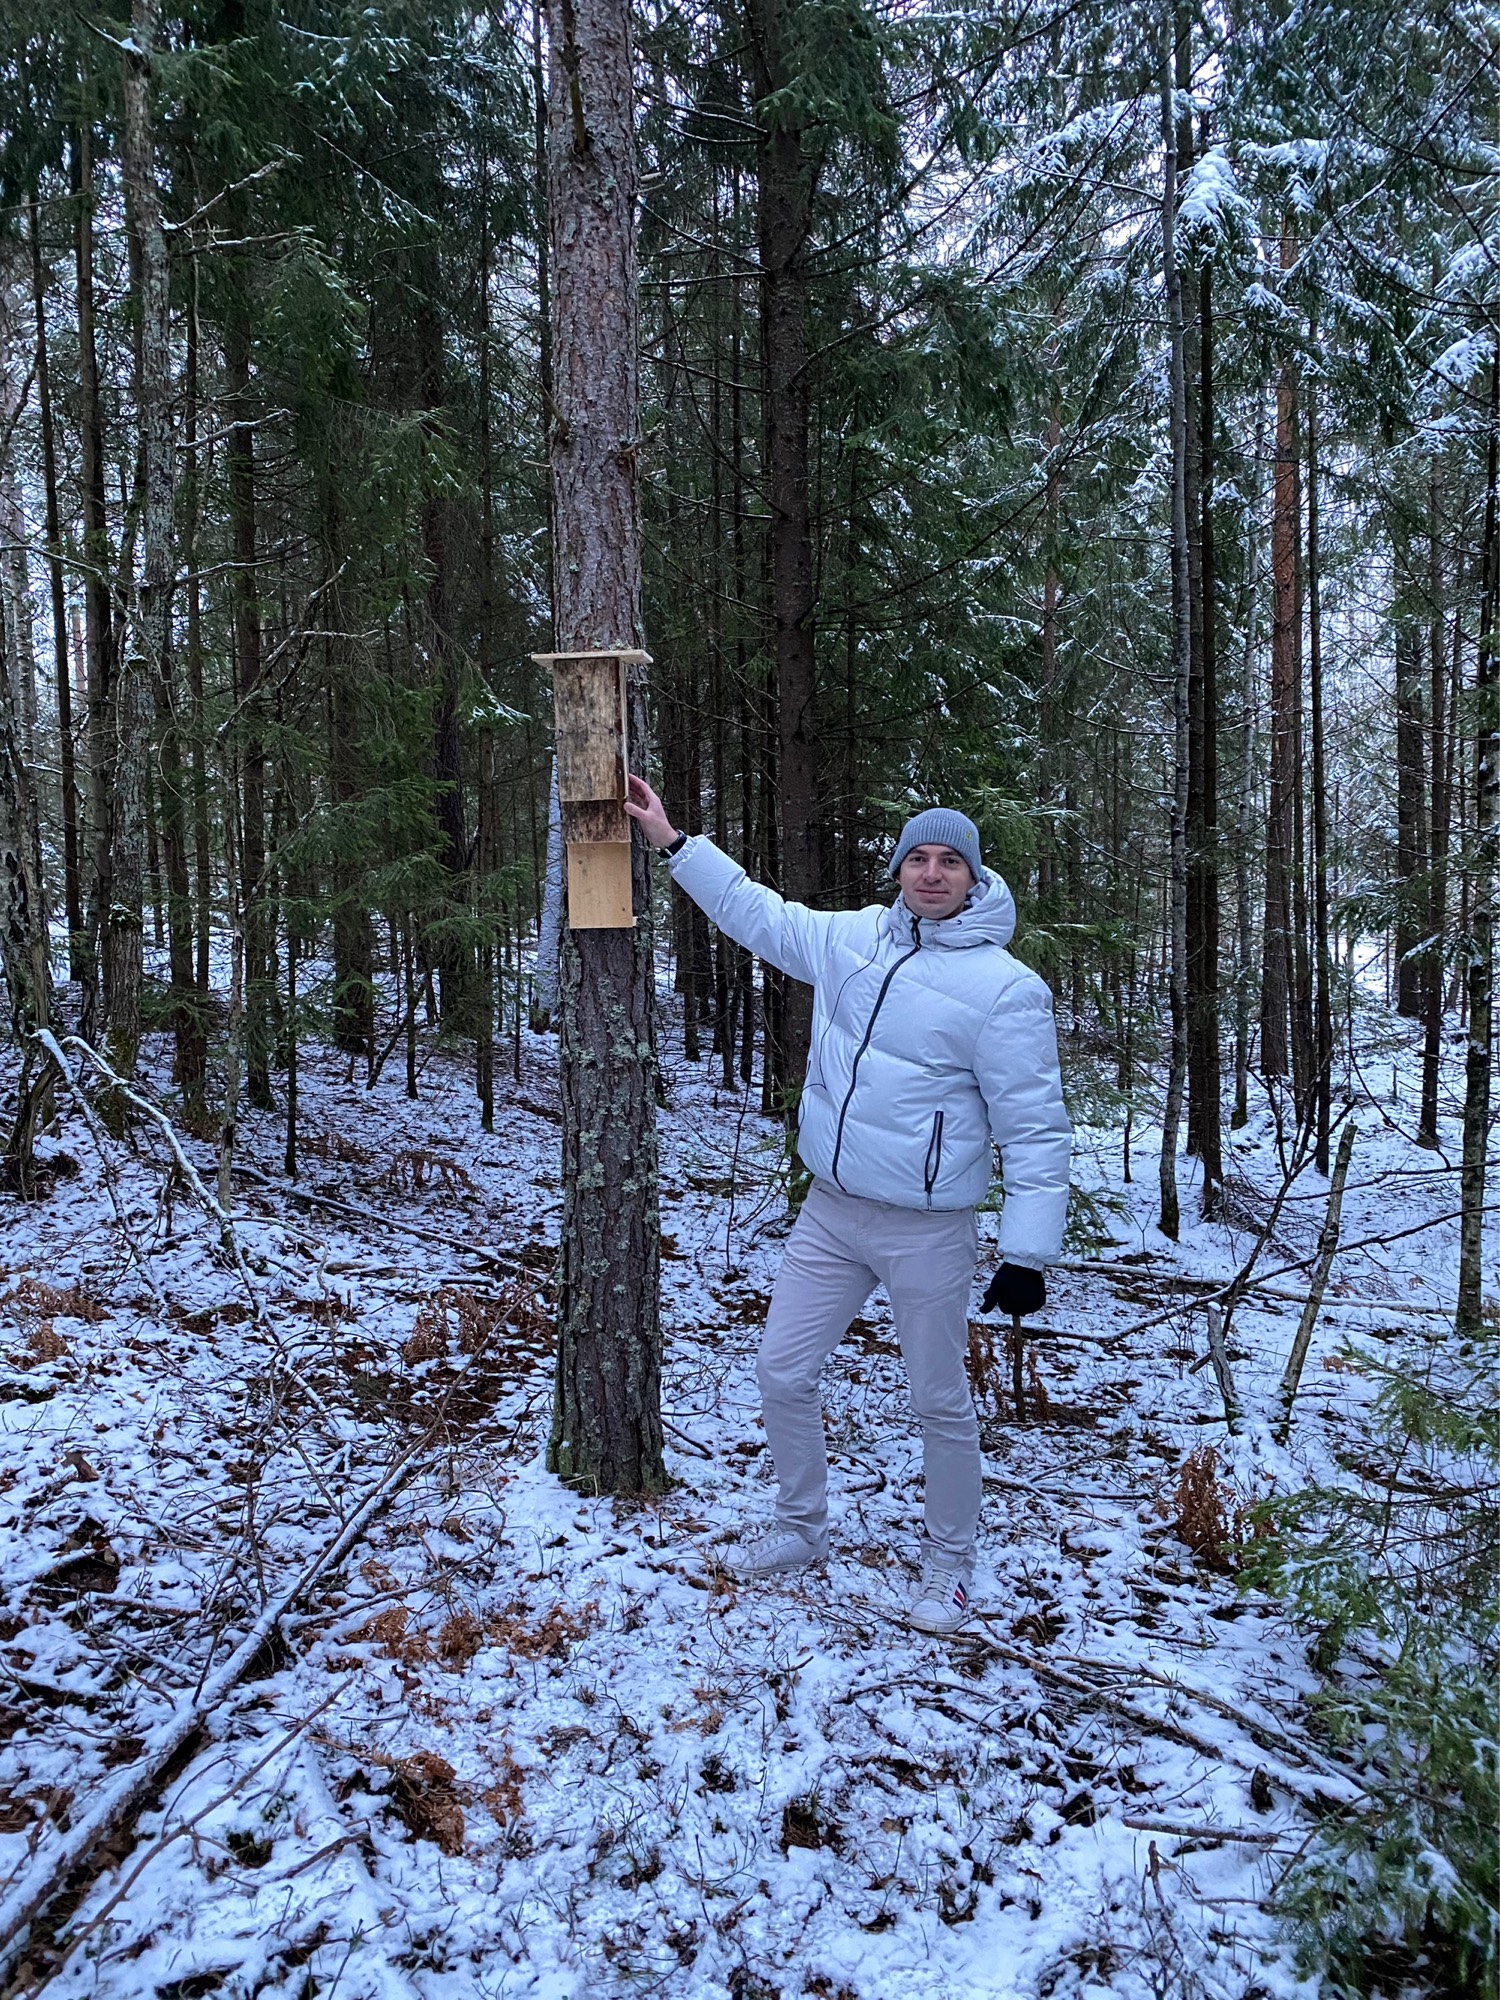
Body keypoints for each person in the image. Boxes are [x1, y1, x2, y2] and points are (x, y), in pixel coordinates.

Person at [624, 777, 1072, 1634]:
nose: (932, 873)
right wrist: (674, 845)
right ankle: (800, 1528)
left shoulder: (1005, 989)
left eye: (950, 862)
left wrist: (1026, 1254)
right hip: (831, 1211)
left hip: (927, 1227)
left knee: (938, 1402)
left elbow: (1037, 1128)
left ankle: (948, 1564)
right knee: (782, 1370)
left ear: (975, 880)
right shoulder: (852, 940)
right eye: (918, 858)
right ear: (898, 868)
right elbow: (758, 914)